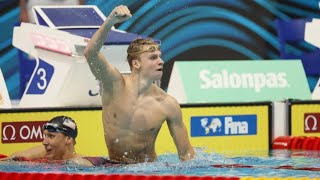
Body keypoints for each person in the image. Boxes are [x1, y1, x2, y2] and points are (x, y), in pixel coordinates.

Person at [84, 5, 195, 164]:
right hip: (113, 165)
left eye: (160, 56)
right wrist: (110, 22)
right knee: (75, 164)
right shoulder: (115, 84)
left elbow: (186, 156)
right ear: (136, 64)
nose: (161, 61)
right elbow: (90, 53)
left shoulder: (167, 104)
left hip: (146, 170)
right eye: (153, 57)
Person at [1, 116, 93, 166]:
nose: (44, 142)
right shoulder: (41, 152)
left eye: (51, 136)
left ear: (68, 139)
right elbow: (9, 160)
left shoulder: (81, 163)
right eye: (45, 135)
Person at [19, 0, 85, 23]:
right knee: (37, 41)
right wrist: (23, 10)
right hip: (39, 3)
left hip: (69, 3)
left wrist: (82, 8)